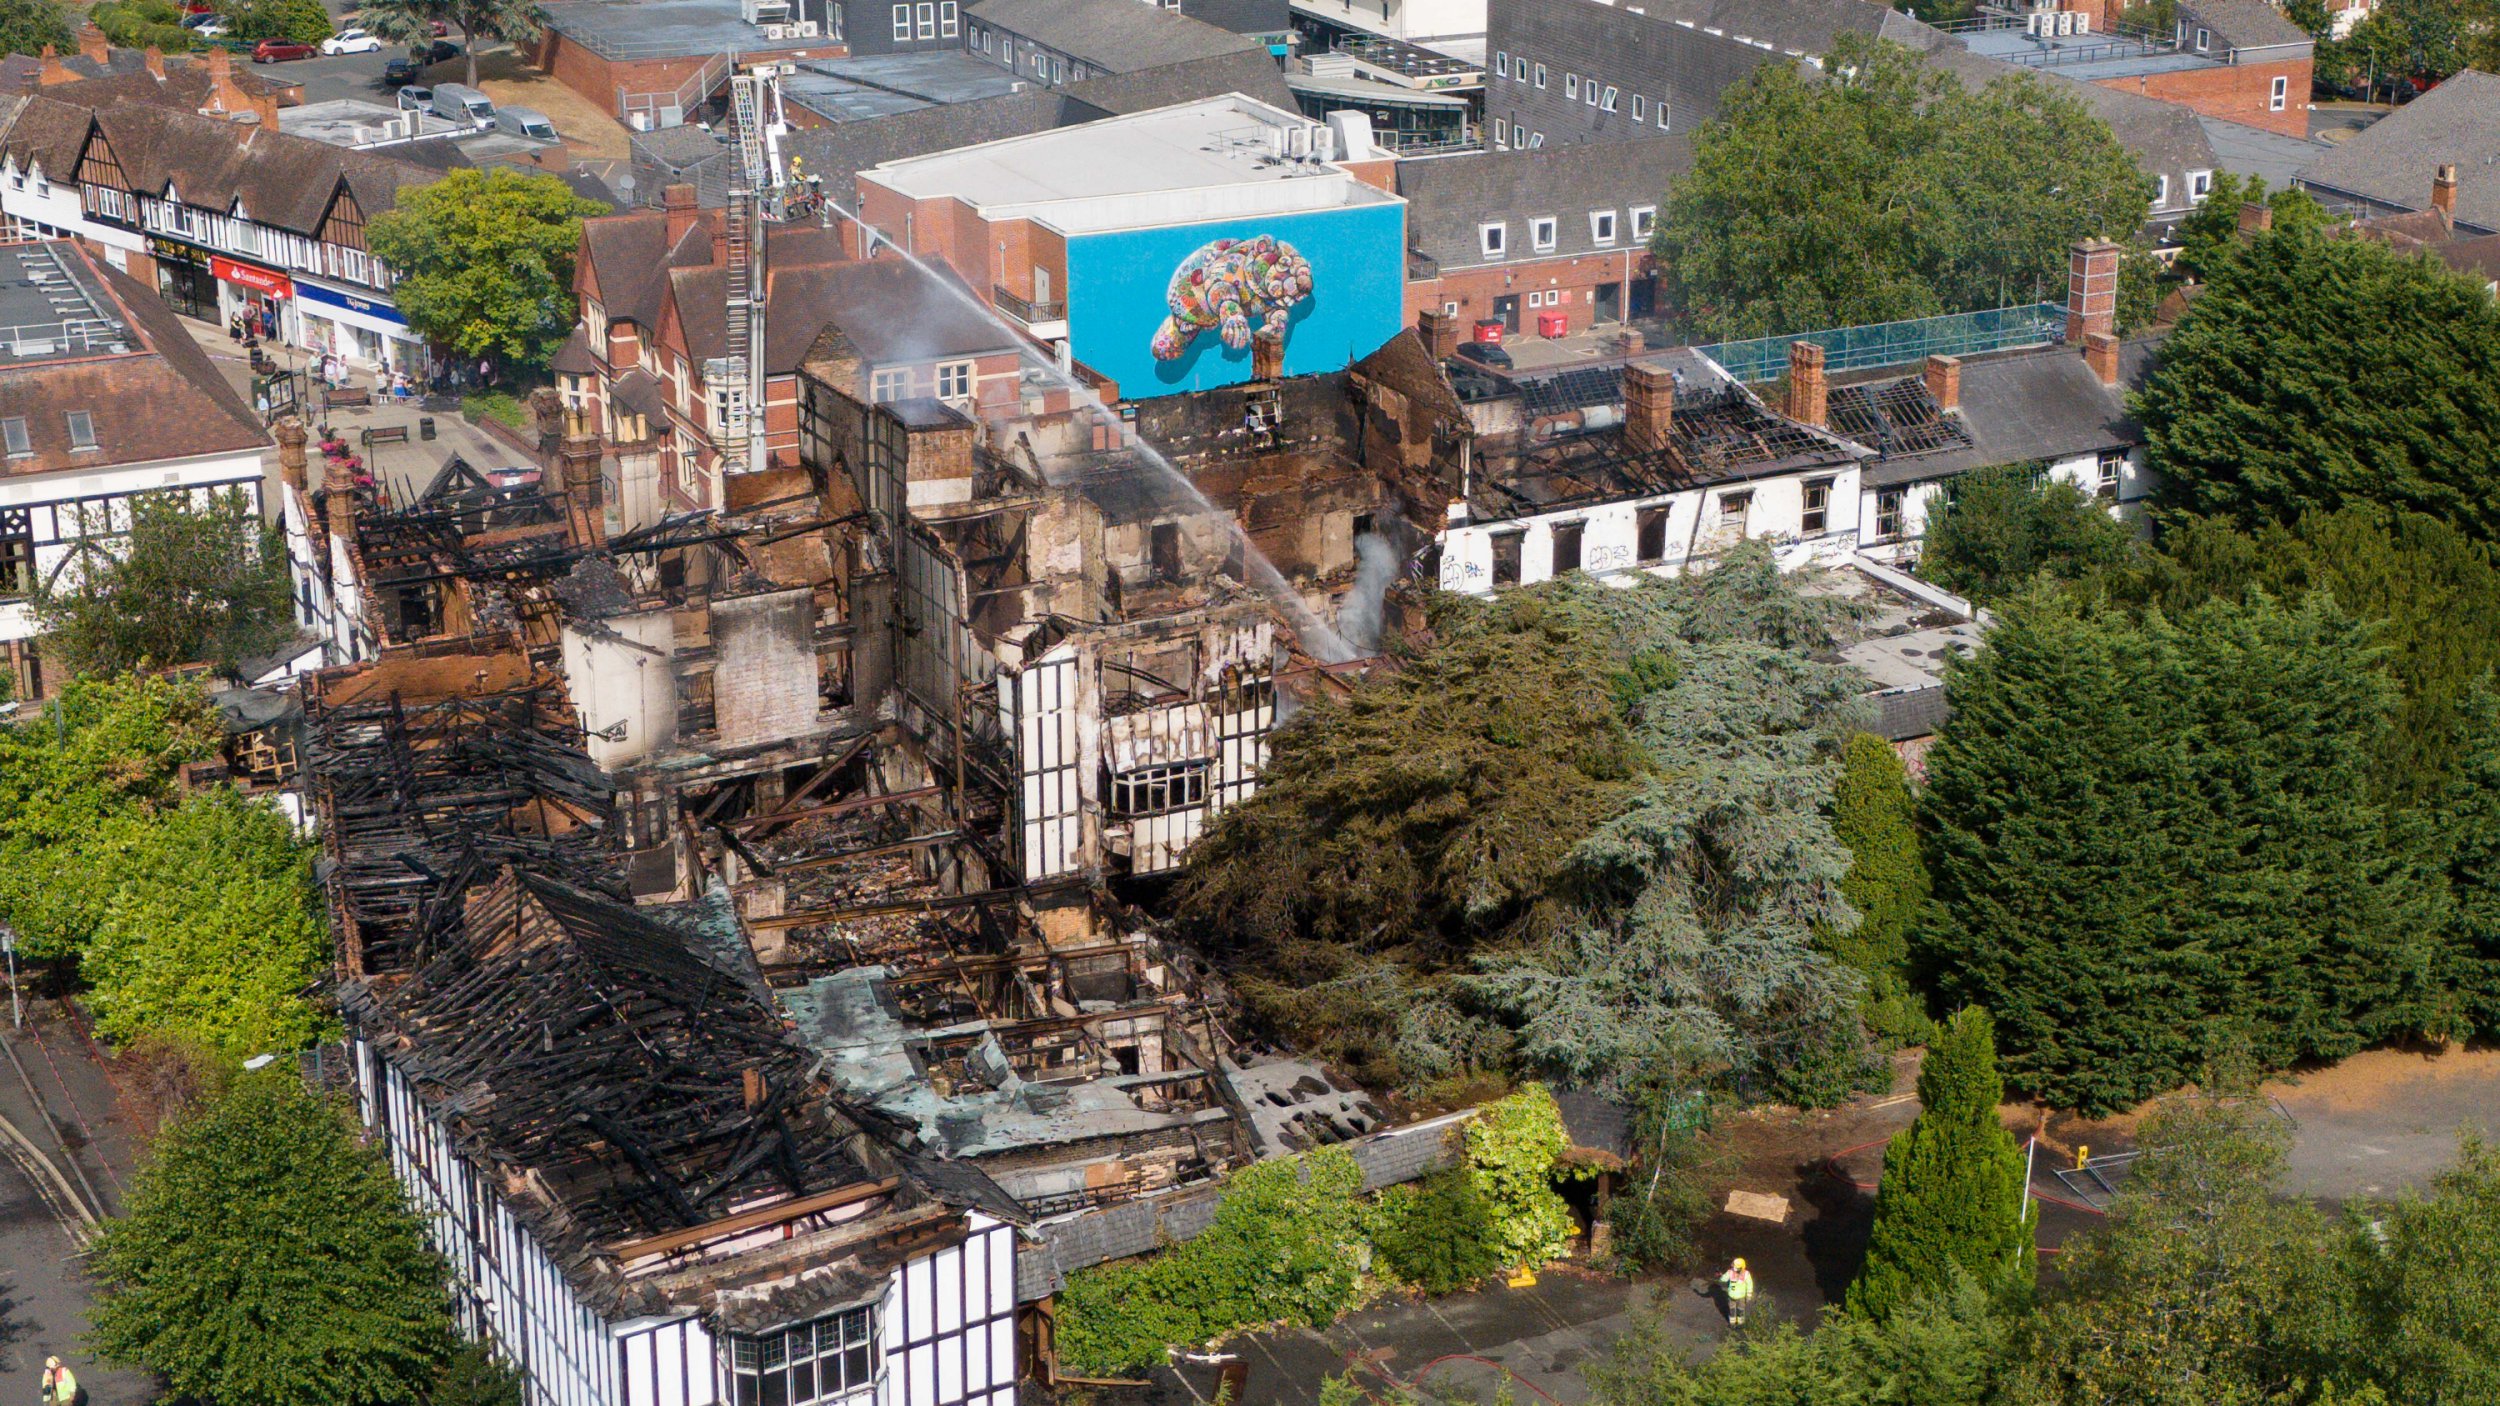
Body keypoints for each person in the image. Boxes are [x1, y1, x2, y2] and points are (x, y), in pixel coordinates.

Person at [1717, 1257, 1754, 1327]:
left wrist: (1749, 1295)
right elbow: (1723, 1279)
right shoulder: (1732, 1272)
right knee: (1734, 1311)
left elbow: (1750, 1285)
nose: (1733, 1268)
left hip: (1738, 1296)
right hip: (1735, 1296)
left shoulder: (1745, 1274)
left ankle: (1739, 1324)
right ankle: (1734, 1324)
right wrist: (1749, 1296)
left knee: (1738, 1311)